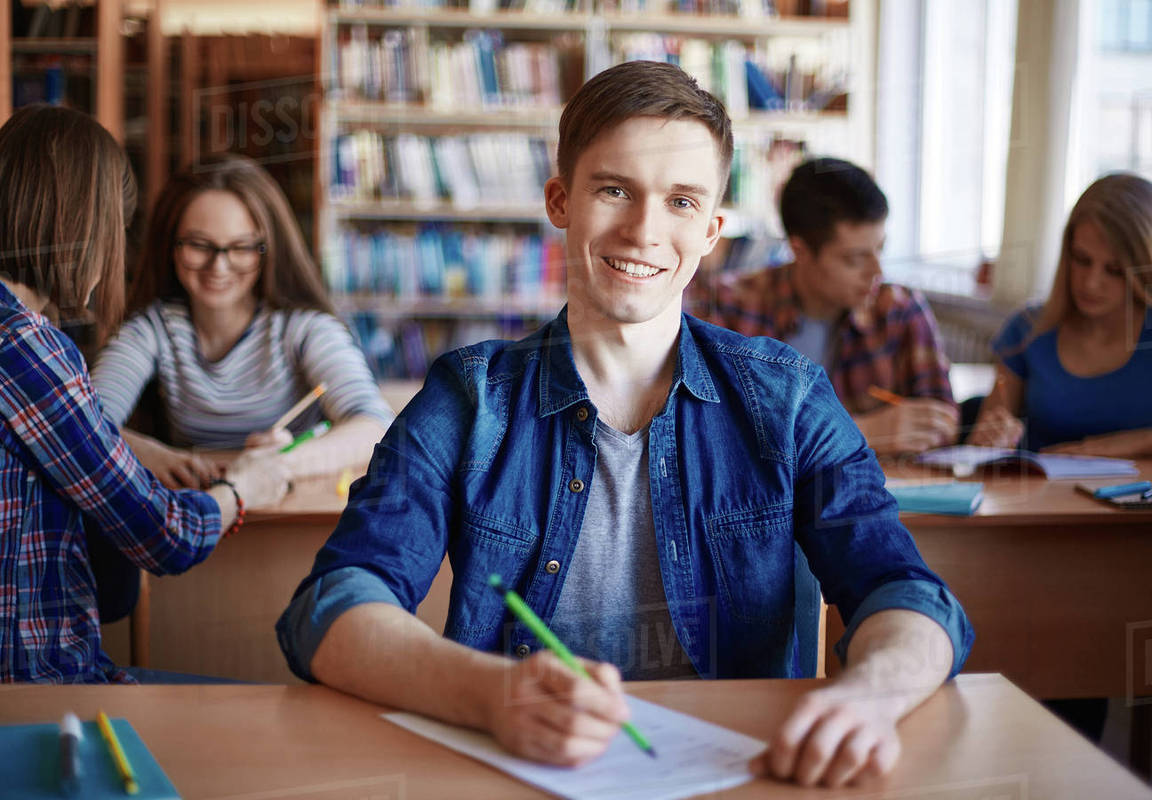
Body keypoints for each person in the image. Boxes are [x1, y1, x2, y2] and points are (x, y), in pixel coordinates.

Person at [277, 61, 972, 788]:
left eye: (681, 202)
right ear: (560, 201)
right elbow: (333, 607)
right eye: (614, 190)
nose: (644, 231)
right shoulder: (470, 397)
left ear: (712, 230)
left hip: (744, 778)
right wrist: (492, 695)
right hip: (516, 774)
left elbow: (906, 592)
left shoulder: (788, 397)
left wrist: (870, 696)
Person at [0, 105, 289, 684]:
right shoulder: (27, 347)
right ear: (83, 225)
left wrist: (131, 449)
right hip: (38, 686)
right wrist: (245, 488)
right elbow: (165, 537)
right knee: (267, 707)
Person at [91, 154, 393, 489]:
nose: (219, 267)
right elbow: (82, 423)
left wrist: (284, 463)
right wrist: (145, 452)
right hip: (203, 512)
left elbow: (376, 427)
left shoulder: (304, 330)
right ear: (171, 247)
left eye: (241, 247)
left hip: (292, 511)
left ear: (267, 250)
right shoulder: (151, 330)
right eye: (199, 245)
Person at [691, 158, 959, 455]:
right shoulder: (726, 307)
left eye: (880, 249)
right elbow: (706, 434)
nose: (876, 272)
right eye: (854, 259)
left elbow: (945, 424)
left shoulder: (901, 310)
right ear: (800, 251)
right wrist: (858, 433)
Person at [968, 173, 1152, 456]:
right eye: (1082, 259)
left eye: (1114, 270)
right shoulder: (1027, 328)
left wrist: (1138, 442)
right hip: (1040, 484)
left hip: (1149, 485)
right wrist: (990, 439)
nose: (1091, 283)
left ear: (1149, 265)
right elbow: (981, 448)